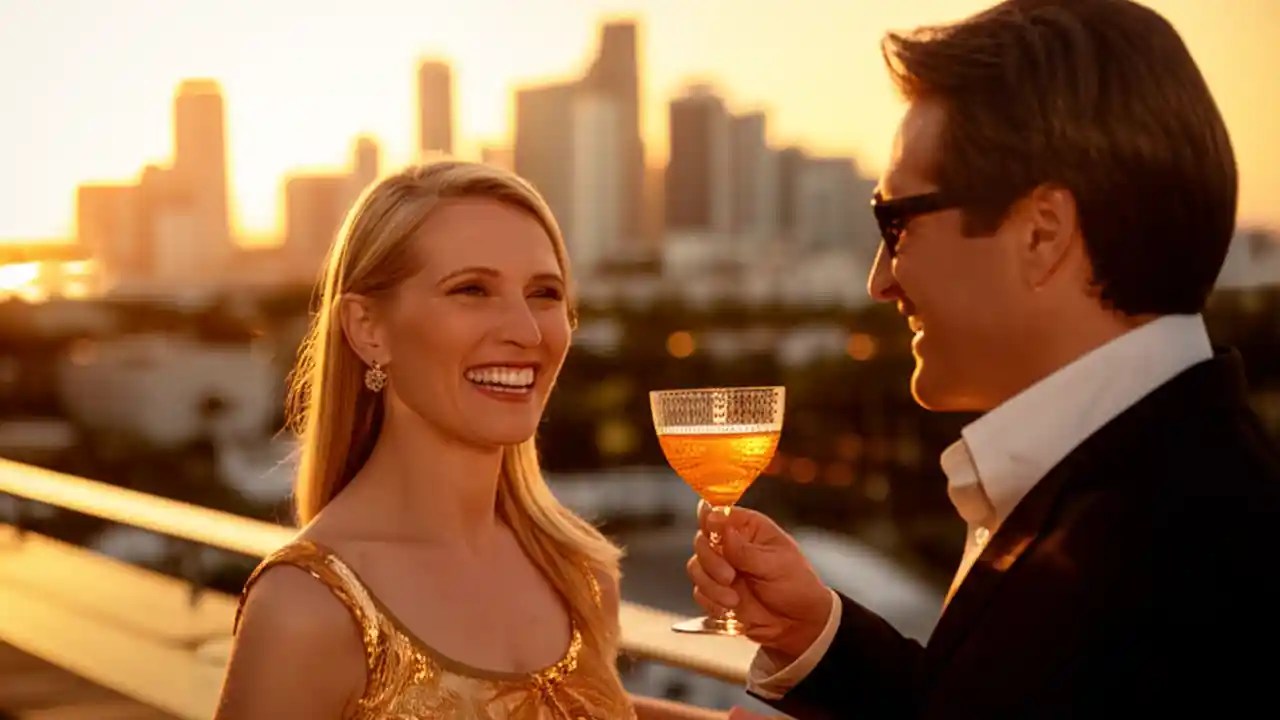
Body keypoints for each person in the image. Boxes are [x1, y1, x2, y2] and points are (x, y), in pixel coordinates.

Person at [688, 1, 1280, 717]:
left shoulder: (1175, 556)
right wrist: (817, 635)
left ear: (1042, 234)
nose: (879, 281)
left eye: (896, 222)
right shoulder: (1151, 489)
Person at [217, 161, 725, 719]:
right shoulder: (306, 609)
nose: (526, 331)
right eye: (472, 290)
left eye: (544, 293)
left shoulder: (577, 574)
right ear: (368, 328)